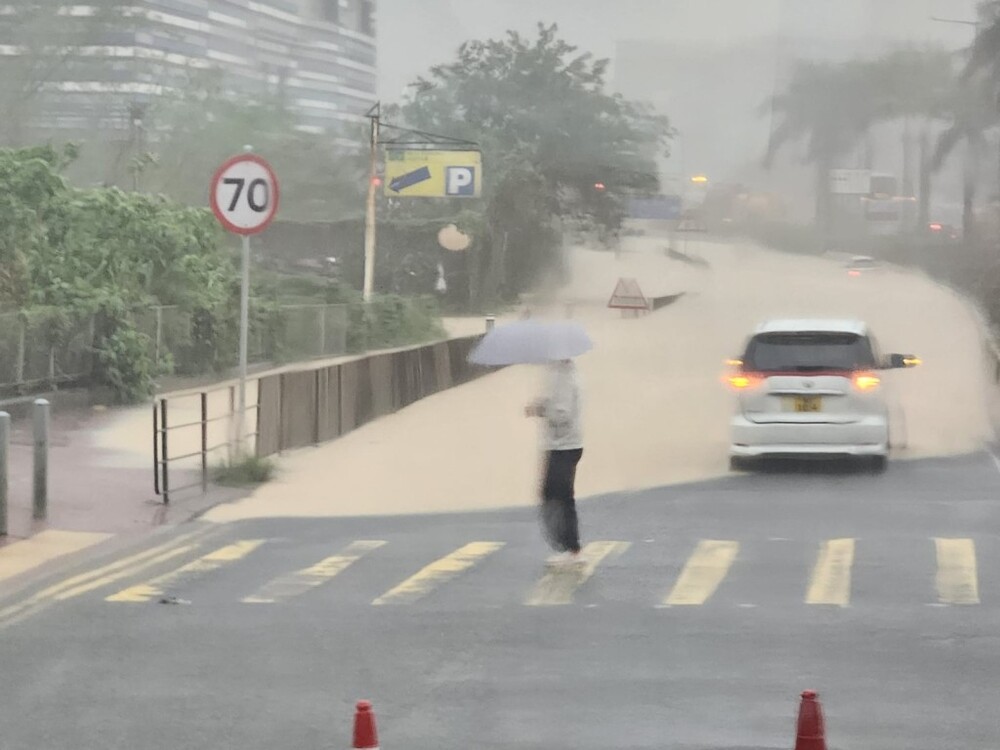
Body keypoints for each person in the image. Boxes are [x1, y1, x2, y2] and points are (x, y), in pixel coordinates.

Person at [526, 358, 584, 568]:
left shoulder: (564, 376)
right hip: (560, 445)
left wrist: (541, 410)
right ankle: (571, 548)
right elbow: (557, 405)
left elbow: (563, 414)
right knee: (558, 495)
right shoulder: (558, 374)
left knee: (556, 495)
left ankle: (569, 548)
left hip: (565, 445)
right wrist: (541, 405)